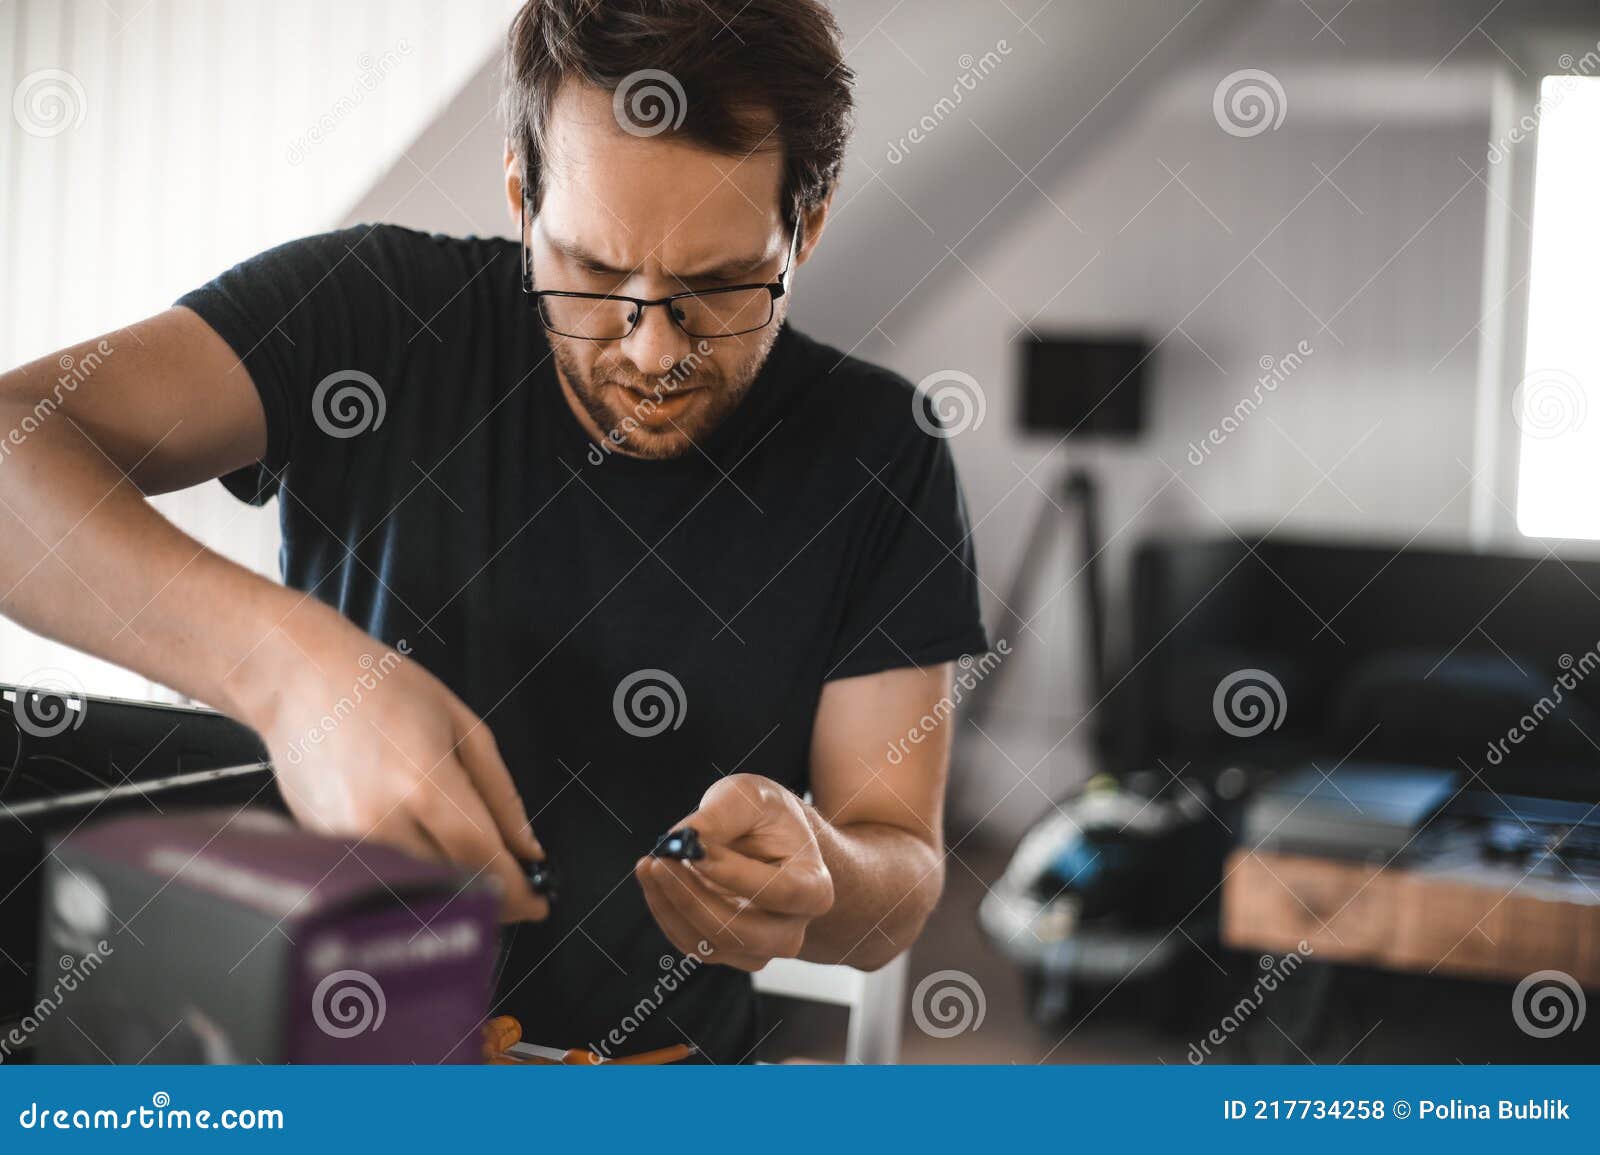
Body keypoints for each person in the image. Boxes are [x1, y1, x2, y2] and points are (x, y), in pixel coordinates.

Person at [0, 0, 987, 1062]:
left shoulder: (881, 451)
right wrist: (287, 672)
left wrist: (827, 877)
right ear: (523, 194)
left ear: (811, 221)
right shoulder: (372, 314)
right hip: (324, 1059)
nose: (654, 353)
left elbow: (898, 881)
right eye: (597, 275)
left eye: (717, 287)